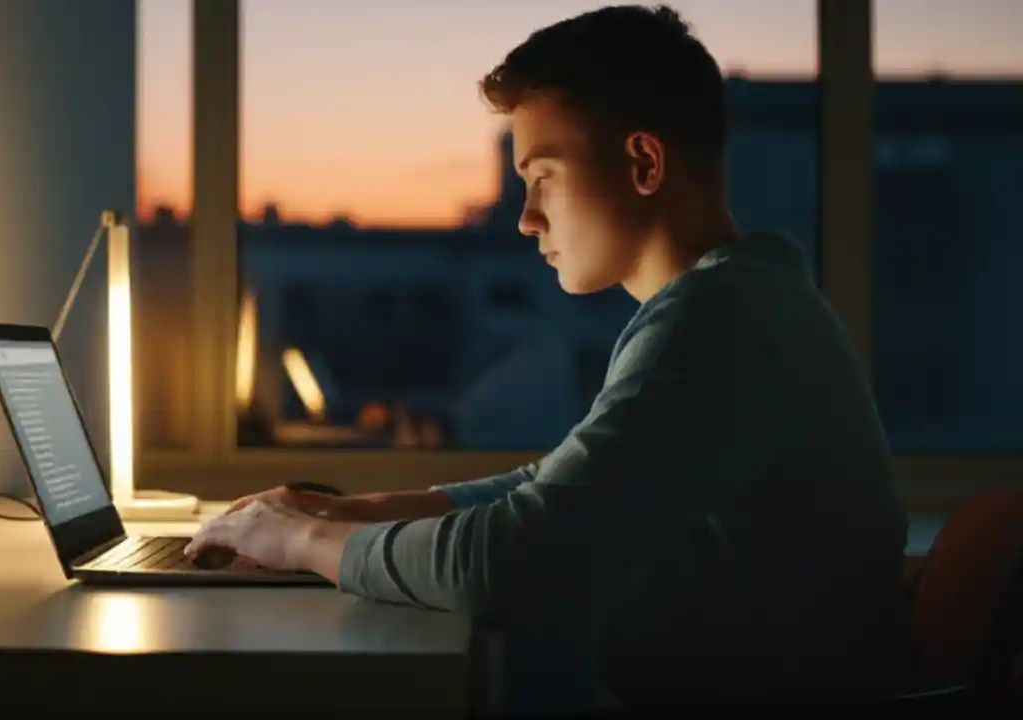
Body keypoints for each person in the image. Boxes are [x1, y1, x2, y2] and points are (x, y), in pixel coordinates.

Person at [184, 4, 914, 710]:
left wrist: (299, 539)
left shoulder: (719, 321)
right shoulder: (743, 300)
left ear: (644, 163)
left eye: (542, 178)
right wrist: (360, 510)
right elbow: (558, 486)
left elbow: (504, 563)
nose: (527, 219)